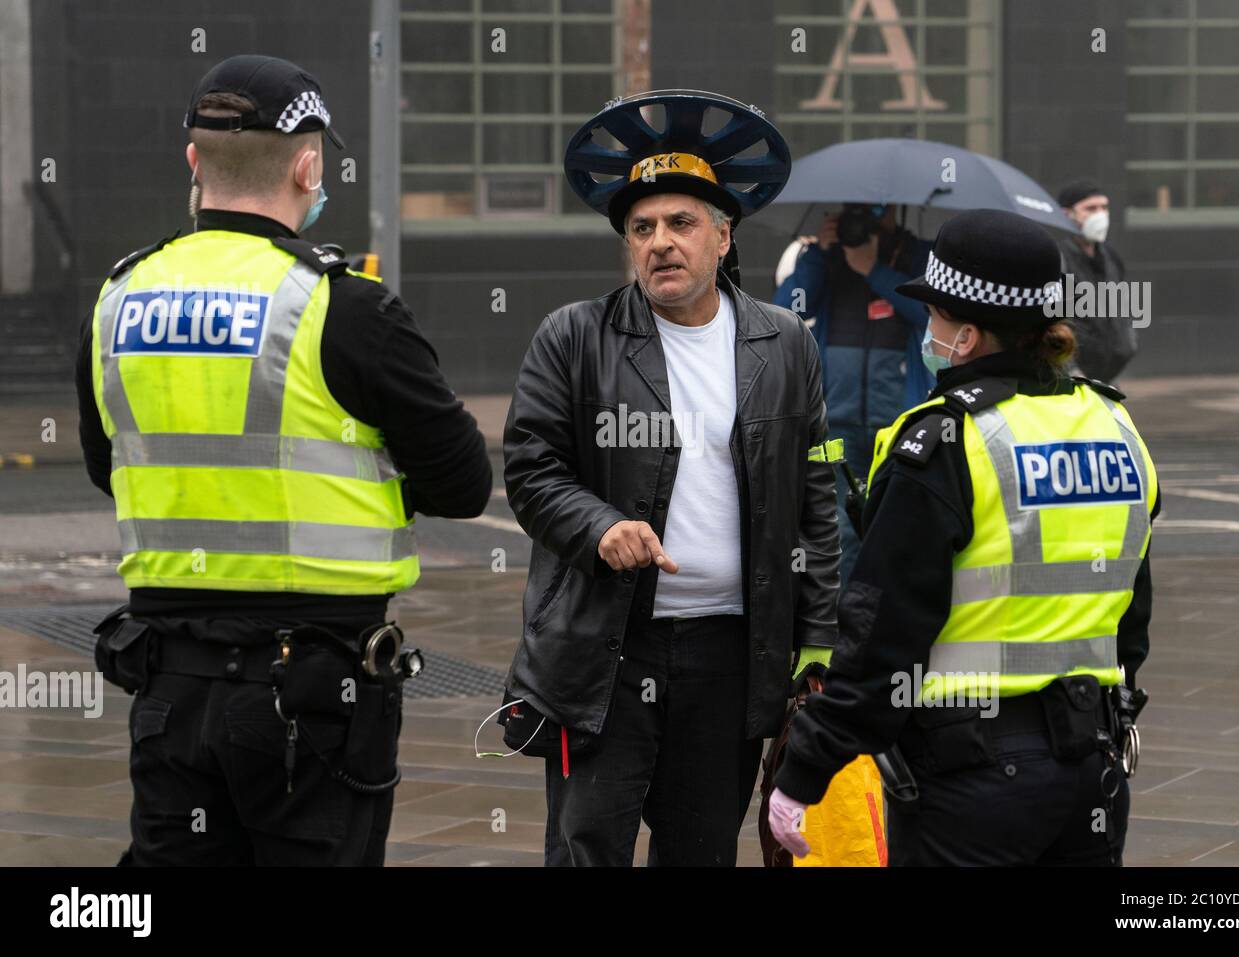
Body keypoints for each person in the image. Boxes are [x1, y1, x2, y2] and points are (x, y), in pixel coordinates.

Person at [75, 55, 492, 865]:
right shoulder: (347, 307)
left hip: (168, 683)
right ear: (307, 167)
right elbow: (465, 483)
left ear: (193, 160)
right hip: (315, 691)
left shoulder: (117, 300)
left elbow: (108, 466)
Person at [499, 90, 840, 866]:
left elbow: (815, 497)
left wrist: (818, 636)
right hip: (607, 652)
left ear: (724, 235)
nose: (661, 243)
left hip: (731, 657)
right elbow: (531, 467)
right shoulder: (574, 337)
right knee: (588, 846)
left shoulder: (785, 344)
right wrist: (599, 527)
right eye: (642, 228)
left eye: (681, 223)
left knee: (702, 850)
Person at [767, 209, 1159, 866]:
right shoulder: (1115, 425)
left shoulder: (945, 441)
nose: (930, 331)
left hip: (970, 781)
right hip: (1091, 766)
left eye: (935, 317)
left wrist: (807, 765)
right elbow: (1132, 617)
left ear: (967, 336)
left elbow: (883, 632)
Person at [774, 204, 933, 584]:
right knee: (840, 528)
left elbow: (931, 315)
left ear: (895, 210)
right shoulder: (826, 257)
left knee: (899, 524)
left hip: (900, 423)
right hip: (837, 421)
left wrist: (874, 270)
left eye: (875, 211)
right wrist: (820, 253)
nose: (863, 220)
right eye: (855, 210)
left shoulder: (919, 257)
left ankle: (887, 612)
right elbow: (784, 311)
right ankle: (844, 615)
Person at [1057, 178, 1138, 383]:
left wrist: (1128, 344)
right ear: (1067, 214)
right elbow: (1055, 322)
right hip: (1075, 378)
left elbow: (1121, 307)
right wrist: (1071, 369)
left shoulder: (1110, 257)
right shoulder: (1060, 259)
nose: (1100, 214)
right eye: (1090, 208)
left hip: (1108, 374)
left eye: (1104, 207)